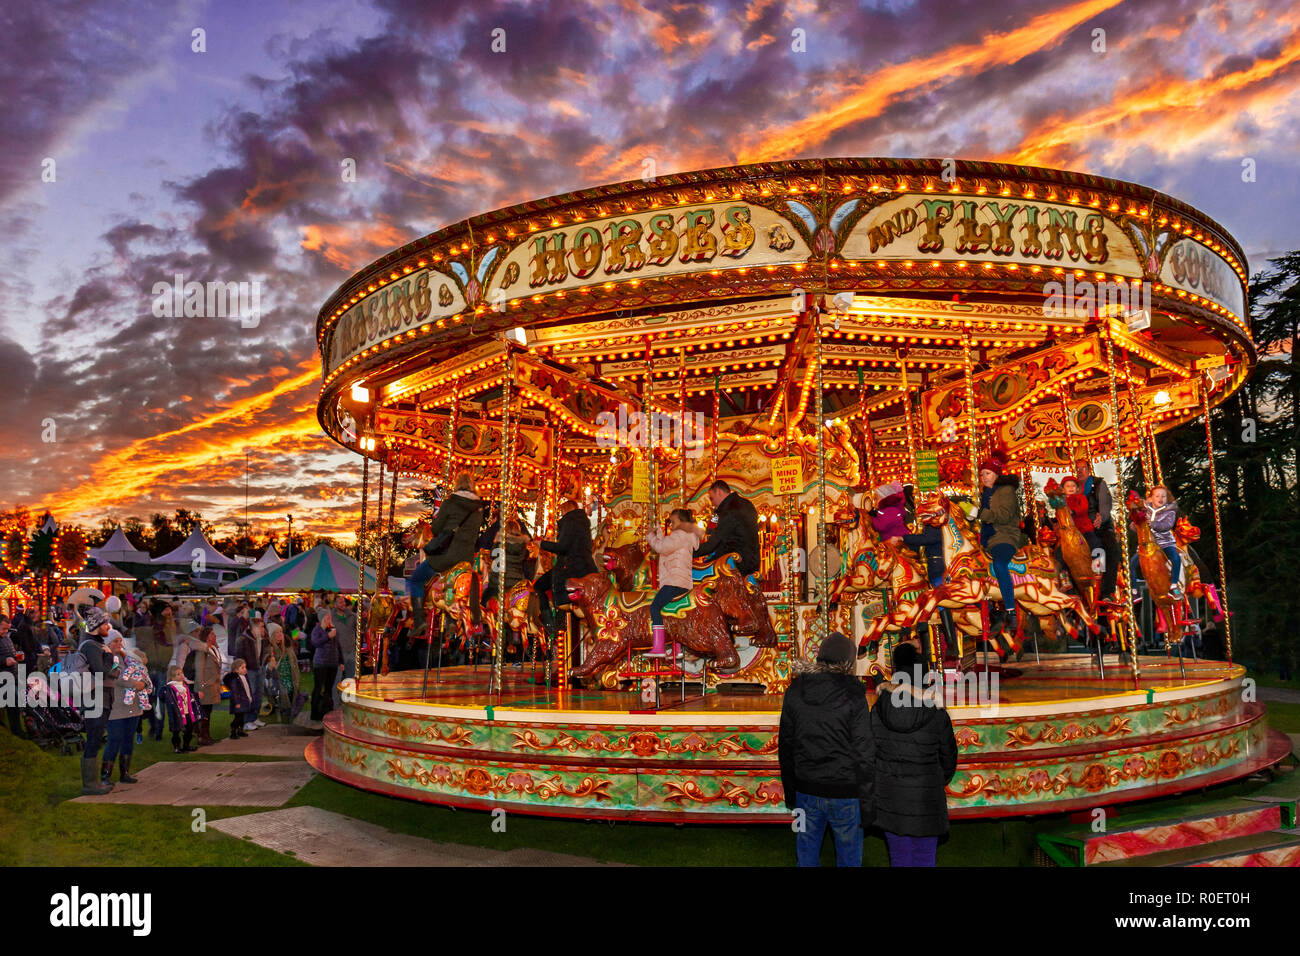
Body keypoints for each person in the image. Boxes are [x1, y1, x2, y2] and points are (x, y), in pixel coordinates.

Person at [777, 632, 874, 866]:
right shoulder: (854, 693)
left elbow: (786, 745)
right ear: (848, 663)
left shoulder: (796, 689)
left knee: (806, 854)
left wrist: (792, 791)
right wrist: (868, 800)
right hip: (845, 792)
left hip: (806, 789)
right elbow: (865, 750)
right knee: (849, 857)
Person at [870, 642, 958, 867]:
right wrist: (937, 778)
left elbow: (869, 751)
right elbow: (949, 757)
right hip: (926, 799)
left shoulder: (878, 709)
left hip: (890, 797)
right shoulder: (936, 712)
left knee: (900, 858)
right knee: (925, 859)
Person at [408, 473, 485, 632]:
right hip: (466, 560)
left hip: (445, 557)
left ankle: (419, 620)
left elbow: (436, 529)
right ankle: (450, 620)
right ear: (472, 486)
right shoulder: (478, 509)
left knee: (416, 579)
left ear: (457, 485)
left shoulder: (450, 503)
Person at [535, 499, 599, 644]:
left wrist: (542, 544)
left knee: (539, 586)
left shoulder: (569, 522)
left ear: (565, 511)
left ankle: (550, 625)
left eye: (561, 512)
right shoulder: (582, 521)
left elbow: (563, 547)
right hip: (585, 567)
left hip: (571, 568)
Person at [73, 607, 121, 795]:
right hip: (95, 698)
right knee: (93, 738)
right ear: (96, 626)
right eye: (105, 623)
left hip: (103, 697)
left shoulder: (98, 644)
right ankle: (90, 785)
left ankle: (93, 783)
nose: (108, 626)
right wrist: (113, 661)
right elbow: (101, 671)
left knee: (96, 737)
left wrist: (112, 661)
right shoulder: (91, 646)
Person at [646, 509, 705, 657]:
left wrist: (650, 535)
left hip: (674, 581)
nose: (671, 525)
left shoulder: (680, 535)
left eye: (673, 521)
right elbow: (665, 547)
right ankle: (677, 648)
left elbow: (660, 547)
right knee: (672, 613)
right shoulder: (685, 536)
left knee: (654, 607)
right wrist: (658, 530)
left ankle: (659, 647)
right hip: (681, 581)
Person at [977, 453, 1025, 631]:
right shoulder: (986, 493)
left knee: (999, 564)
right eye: (982, 474)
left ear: (997, 474)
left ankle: (1010, 610)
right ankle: (991, 611)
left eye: (987, 473)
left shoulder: (1006, 491)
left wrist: (981, 514)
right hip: (988, 539)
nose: (984, 478)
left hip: (1005, 536)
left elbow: (1004, 516)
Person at [101, 636, 150, 786]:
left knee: (128, 739)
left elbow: (142, 670)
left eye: (120, 641)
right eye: (115, 641)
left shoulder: (128, 658)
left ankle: (125, 773)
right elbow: (117, 677)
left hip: (133, 705)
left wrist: (143, 681)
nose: (119, 644)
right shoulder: (106, 658)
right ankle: (105, 776)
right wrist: (134, 683)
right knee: (114, 739)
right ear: (108, 643)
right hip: (116, 706)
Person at [694, 480, 760, 576]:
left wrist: (689, 552)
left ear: (719, 492)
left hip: (736, 562)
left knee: (699, 574)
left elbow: (713, 543)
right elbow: (711, 530)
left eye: (712, 498)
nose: (712, 503)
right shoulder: (746, 503)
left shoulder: (729, 510)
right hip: (752, 559)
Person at [1077, 459, 1120, 598]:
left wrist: (1101, 517)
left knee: (1111, 548)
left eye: (1083, 468)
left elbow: (1105, 504)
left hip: (1101, 527)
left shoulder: (1098, 484)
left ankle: (1107, 590)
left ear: (1089, 470)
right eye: (1077, 469)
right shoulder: (1074, 488)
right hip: (1083, 529)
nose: (1080, 471)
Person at [1146, 484, 1183, 598]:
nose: (1160, 499)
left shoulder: (1170, 512)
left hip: (1165, 543)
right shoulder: (1145, 511)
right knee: (1133, 563)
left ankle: (1174, 585)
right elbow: (1135, 527)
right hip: (1149, 545)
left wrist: (1153, 524)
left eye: (1163, 496)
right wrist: (1137, 523)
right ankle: (1134, 591)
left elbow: (1167, 526)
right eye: (1157, 496)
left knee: (1176, 559)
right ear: (1151, 498)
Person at [235, 617, 269, 730]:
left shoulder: (262, 638)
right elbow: (238, 656)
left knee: (259, 694)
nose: (263, 628)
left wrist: (267, 660)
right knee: (250, 695)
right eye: (261, 626)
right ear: (254, 628)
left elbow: (265, 652)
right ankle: (247, 720)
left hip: (260, 668)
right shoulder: (243, 639)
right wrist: (242, 669)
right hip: (249, 670)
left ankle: (254, 717)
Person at [192, 626, 224, 746]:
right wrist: (200, 687)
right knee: (204, 711)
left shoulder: (214, 649)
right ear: (206, 636)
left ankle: (206, 735)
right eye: (211, 634)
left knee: (208, 711)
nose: (214, 635)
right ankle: (202, 736)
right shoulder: (202, 650)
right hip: (205, 686)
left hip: (212, 685)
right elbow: (199, 669)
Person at [310, 611, 341, 721]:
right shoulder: (317, 630)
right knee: (318, 687)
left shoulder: (332, 629)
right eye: (327, 618)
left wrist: (340, 661)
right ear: (322, 619)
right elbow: (315, 643)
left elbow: (338, 645)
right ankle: (315, 713)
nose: (329, 620)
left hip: (332, 663)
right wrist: (327, 636)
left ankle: (327, 710)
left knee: (329, 688)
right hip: (320, 663)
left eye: (330, 618)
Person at [162, 665, 201, 753]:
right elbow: (162, 696)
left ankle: (186, 745)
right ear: (172, 677)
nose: (181, 675)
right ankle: (177, 747)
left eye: (181, 673)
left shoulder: (185, 686)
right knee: (176, 731)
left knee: (189, 729)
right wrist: (165, 690)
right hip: (177, 714)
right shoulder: (170, 688)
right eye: (178, 674)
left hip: (187, 712)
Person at [1060, 477, 1102, 555]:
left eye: (1073, 486)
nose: (1071, 488)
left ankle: (1098, 563)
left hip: (1084, 529)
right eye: (1068, 486)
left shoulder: (1081, 498)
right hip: (1071, 531)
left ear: (1077, 488)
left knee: (1094, 543)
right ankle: (1062, 566)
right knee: (1061, 550)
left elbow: (1084, 508)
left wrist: (1073, 511)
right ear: (1063, 489)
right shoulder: (1063, 502)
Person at [0, 615, 25, 739]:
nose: (5, 631)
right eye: (4, 628)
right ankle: (17, 731)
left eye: (7, 629)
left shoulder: (6, 638)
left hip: (12, 676)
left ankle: (18, 728)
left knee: (17, 703)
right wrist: (4, 661)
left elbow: (11, 653)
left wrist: (16, 657)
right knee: (13, 703)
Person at [224, 658, 254, 739]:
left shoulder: (244, 677)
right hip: (239, 702)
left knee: (242, 717)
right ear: (236, 670)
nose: (245, 669)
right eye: (242, 668)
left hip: (244, 701)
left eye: (245, 667)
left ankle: (240, 730)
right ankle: (233, 730)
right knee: (238, 718)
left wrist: (250, 697)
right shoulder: (235, 679)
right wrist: (237, 702)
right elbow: (235, 692)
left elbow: (247, 689)